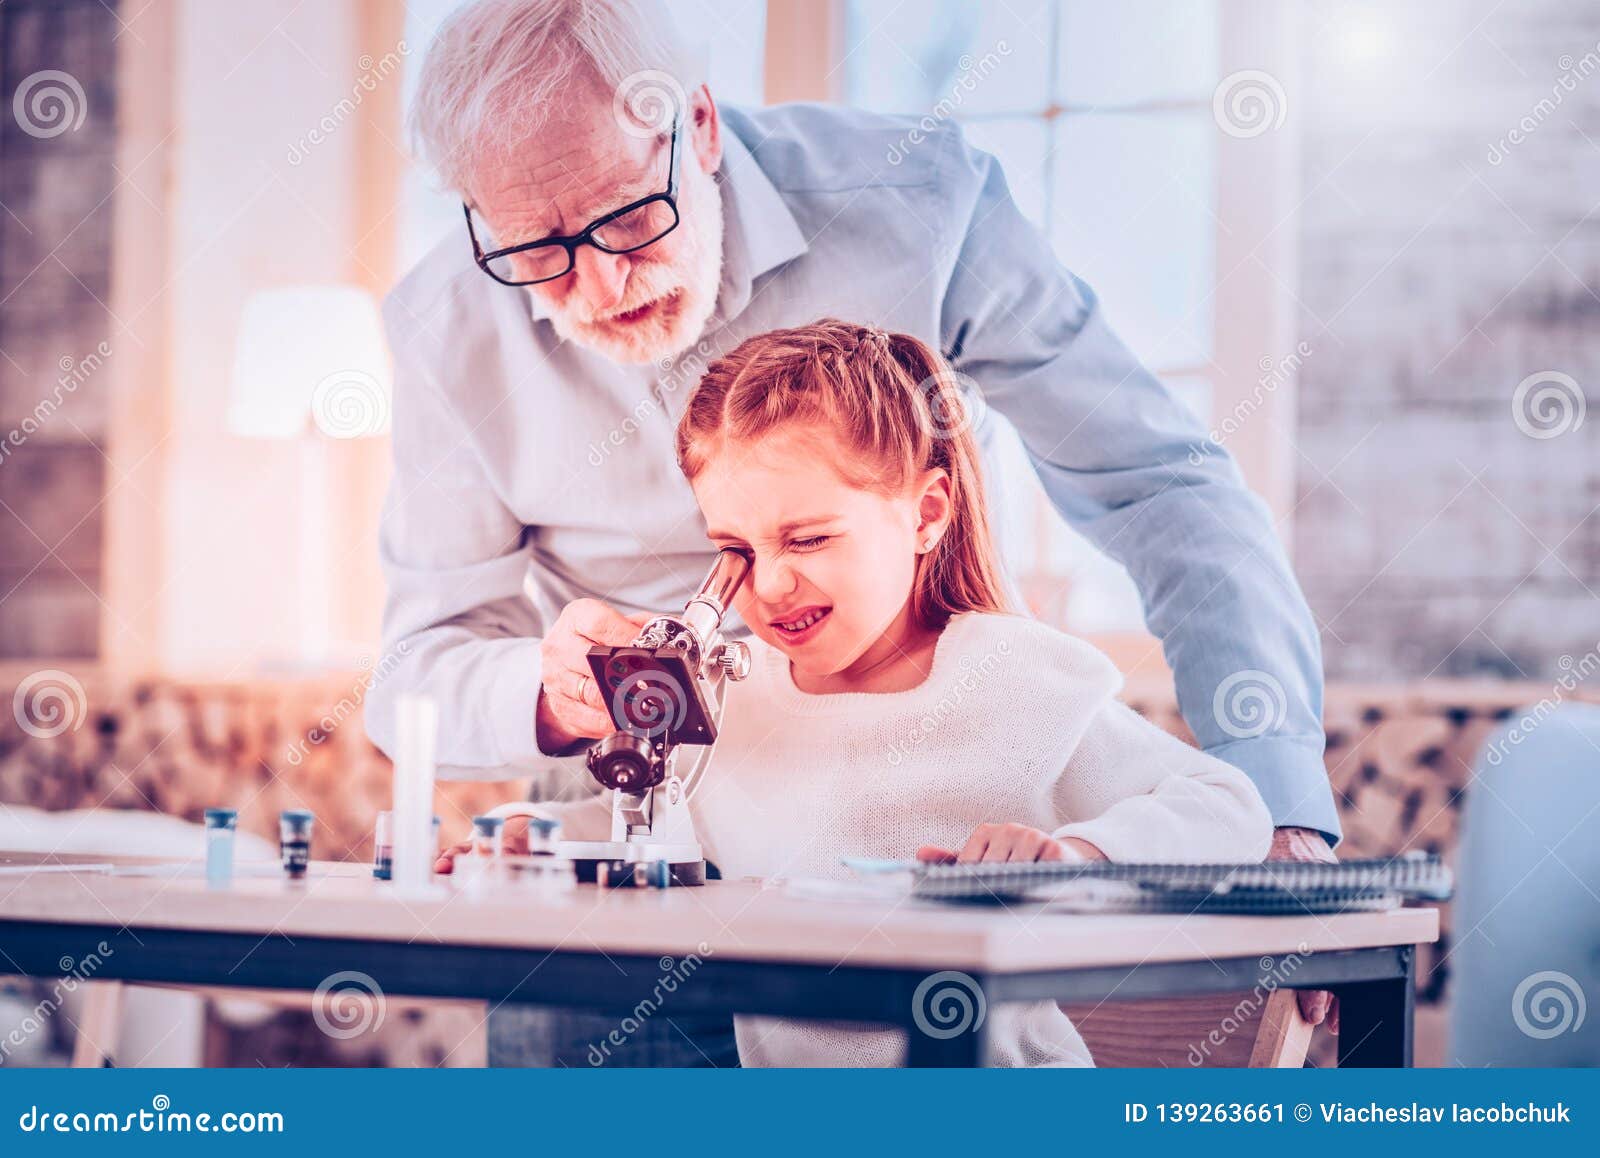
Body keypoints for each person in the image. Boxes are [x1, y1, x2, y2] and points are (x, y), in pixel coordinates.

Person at [368, 0, 1338, 1063]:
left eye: (625, 219)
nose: (599, 289)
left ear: (695, 123)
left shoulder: (916, 203)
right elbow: (416, 667)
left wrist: (1282, 817)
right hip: (628, 833)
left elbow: (1157, 485)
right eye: (537, 251)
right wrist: (547, 701)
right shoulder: (443, 331)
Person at [439, 321, 1275, 1066]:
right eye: (735, 549)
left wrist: (1079, 857)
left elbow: (1228, 804)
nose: (769, 584)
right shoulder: (737, 700)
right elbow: (663, 838)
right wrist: (533, 837)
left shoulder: (1016, 678)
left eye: (808, 538)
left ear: (926, 513)